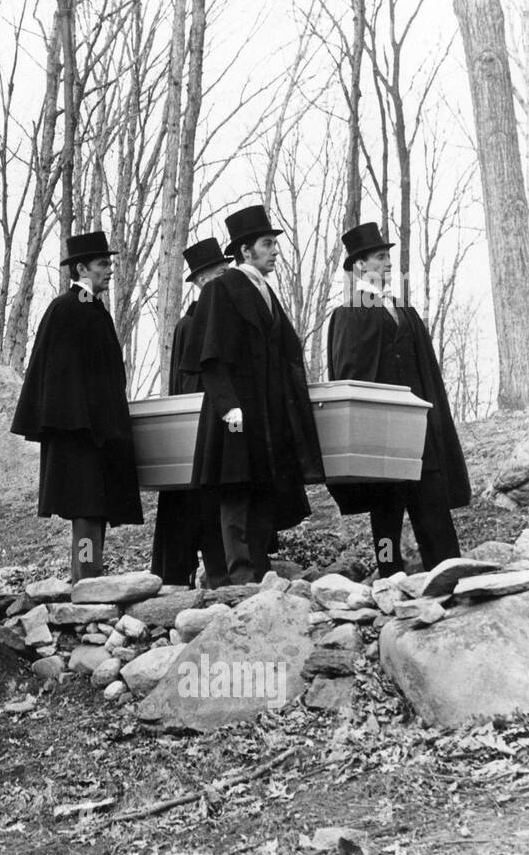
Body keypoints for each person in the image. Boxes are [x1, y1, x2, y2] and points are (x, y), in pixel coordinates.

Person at [180, 205, 325, 584]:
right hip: (235, 414)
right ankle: (239, 574)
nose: (275, 250)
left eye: (274, 243)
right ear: (245, 251)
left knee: (263, 489)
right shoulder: (221, 290)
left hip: (267, 413)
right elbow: (210, 358)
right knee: (236, 491)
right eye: (267, 244)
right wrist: (228, 407)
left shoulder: (267, 292)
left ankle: (260, 569)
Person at [326, 221, 470, 576]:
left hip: (419, 429)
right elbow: (349, 378)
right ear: (359, 265)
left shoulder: (404, 310)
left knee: (432, 503)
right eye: (380, 257)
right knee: (386, 512)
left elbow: (425, 372)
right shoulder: (348, 314)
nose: (388, 264)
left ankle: (448, 568)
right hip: (382, 433)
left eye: (388, 256)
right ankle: (389, 572)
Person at [11, 230, 144, 583]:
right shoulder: (66, 309)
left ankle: (86, 577)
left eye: (110, 263)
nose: (110, 270)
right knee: (86, 509)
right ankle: (87, 579)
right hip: (80, 435)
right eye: (103, 264)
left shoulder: (94, 309)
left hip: (99, 433)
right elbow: (54, 375)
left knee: (96, 508)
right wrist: (83, 420)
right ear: (82, 268)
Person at [151, 237, 231, 588]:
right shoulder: (189, 325)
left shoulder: (228, 319)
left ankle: (223, 571)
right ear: (200, 282)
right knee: (196, 508)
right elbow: (186, 387)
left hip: (227, 430)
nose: (226, 281)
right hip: (199, 430)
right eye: (219, 274)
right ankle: (191, 576)